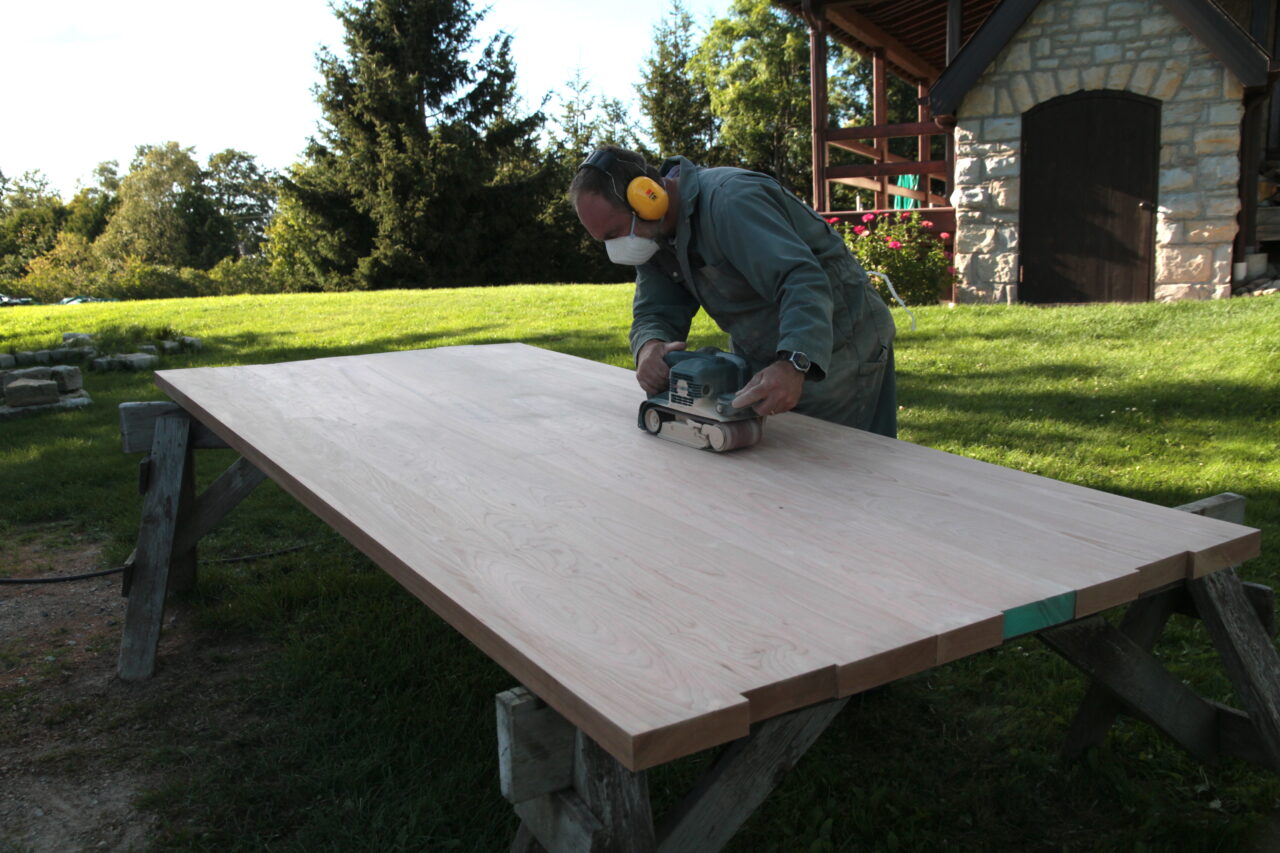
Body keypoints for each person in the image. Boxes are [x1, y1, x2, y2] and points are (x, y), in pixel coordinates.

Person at [570, 145, 898, 438]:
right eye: (606, 241)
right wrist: (649, 347)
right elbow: (655, 310)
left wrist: (794, 364)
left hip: (837, 343)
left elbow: (801, 280)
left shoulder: (730, 201)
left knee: (836, 471)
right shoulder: (651, 234)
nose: (617, 249)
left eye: (616, 233)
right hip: (764, 349)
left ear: (648, 197)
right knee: (770, 471)